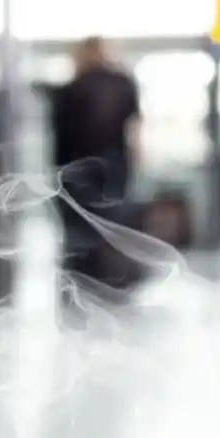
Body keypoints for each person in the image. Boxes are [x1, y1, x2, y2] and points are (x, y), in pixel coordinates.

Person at [50, 37, 140, 283]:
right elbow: (134, 128)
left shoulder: (72, 89)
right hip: (114, 163)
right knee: (112, 219)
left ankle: (82, 273)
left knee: (79, 224)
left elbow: (61, 135)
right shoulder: (123, 84)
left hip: (77, 165)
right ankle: (113, 272)